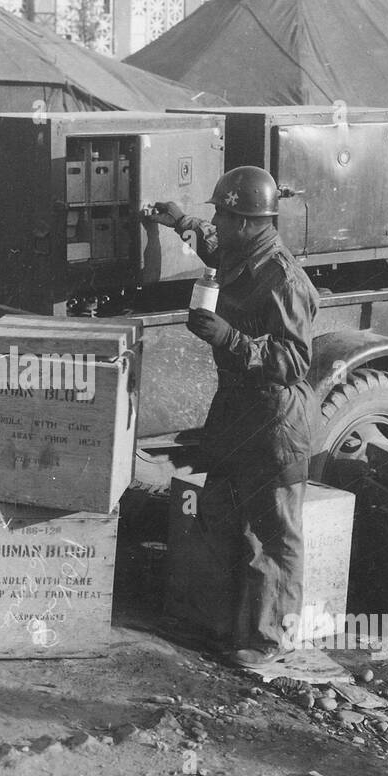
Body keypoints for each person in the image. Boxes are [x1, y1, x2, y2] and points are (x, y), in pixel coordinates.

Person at [151, 166, 319, 668]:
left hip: (275, 420)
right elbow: (212, 247)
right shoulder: (243, 250)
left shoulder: (285, 279)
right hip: (237, 414)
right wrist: (179, 221)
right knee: (225, 519)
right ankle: (228, 628)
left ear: (245, 221)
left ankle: (269, 642)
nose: (215, 223)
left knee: (273, 536)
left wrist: (228, 338)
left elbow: (293, 362)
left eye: (221, 215)